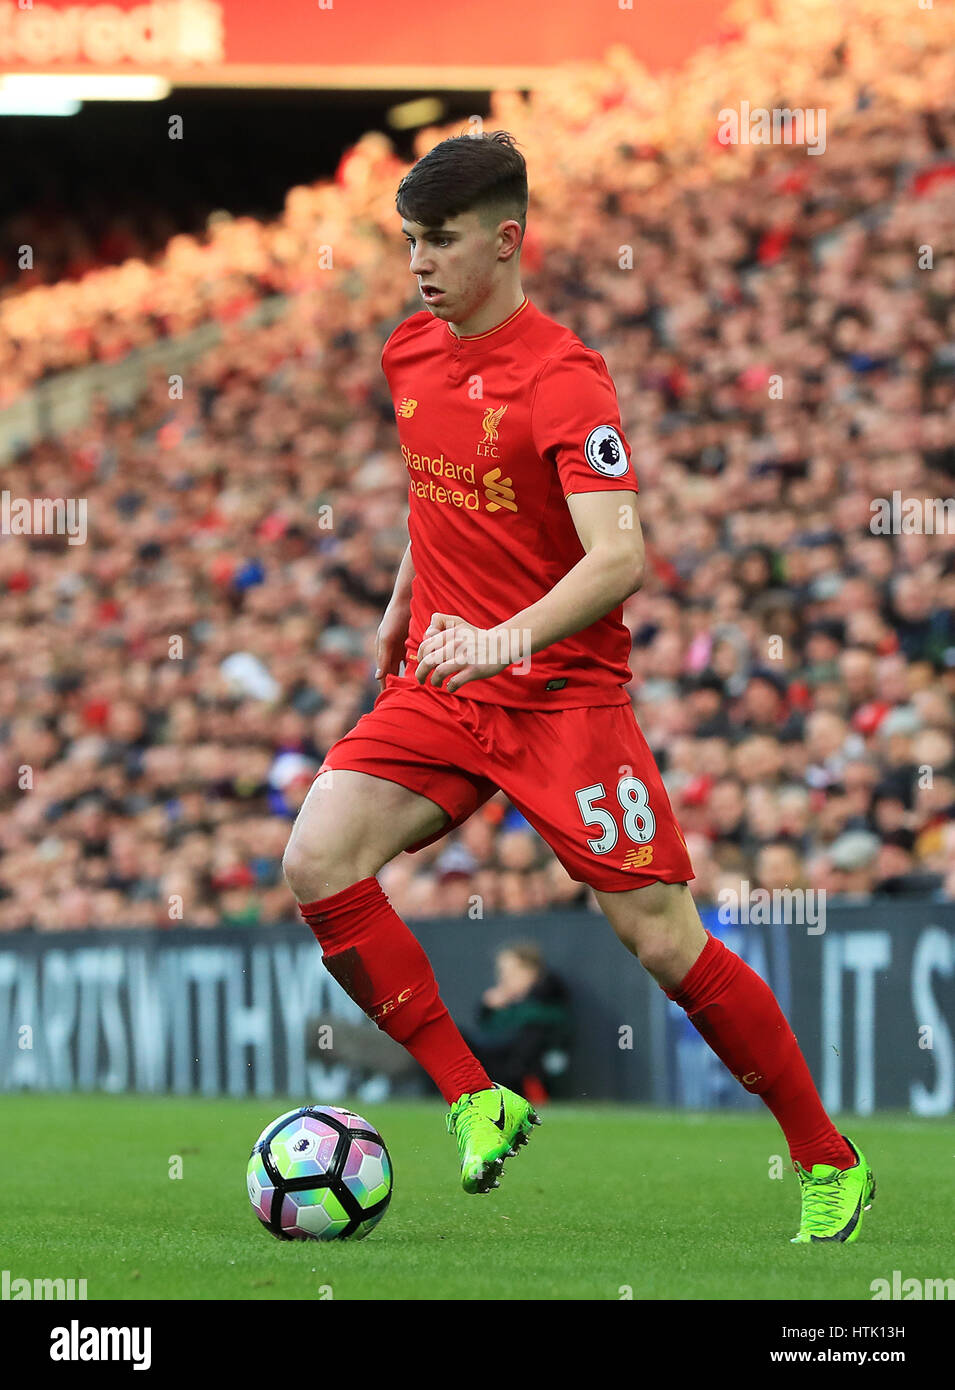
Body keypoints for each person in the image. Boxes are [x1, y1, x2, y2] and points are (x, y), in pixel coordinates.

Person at [283, 132, 875, 1242]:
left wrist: (500, 641)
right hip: (448, 682)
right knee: (316, 856)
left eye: (440, 241)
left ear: (506, 241)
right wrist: (404, 597)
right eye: (409, 240)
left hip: (562, 698)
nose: (419, 264)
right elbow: (441, 488)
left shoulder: (563, 377)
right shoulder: (409, 352)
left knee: (661, 941)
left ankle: (826, 1158)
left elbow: (618, 559)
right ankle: (477, 1095)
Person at [463, 943, 572, 1103]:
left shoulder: (546, 1000)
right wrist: (486, 1010)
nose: (504, 979)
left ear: (531, 972)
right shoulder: (503, 1007)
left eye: (511, 973)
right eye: (501, 973)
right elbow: (488, 1037)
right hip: (495, 1069)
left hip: (523, 1075)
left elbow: (512, 1044)